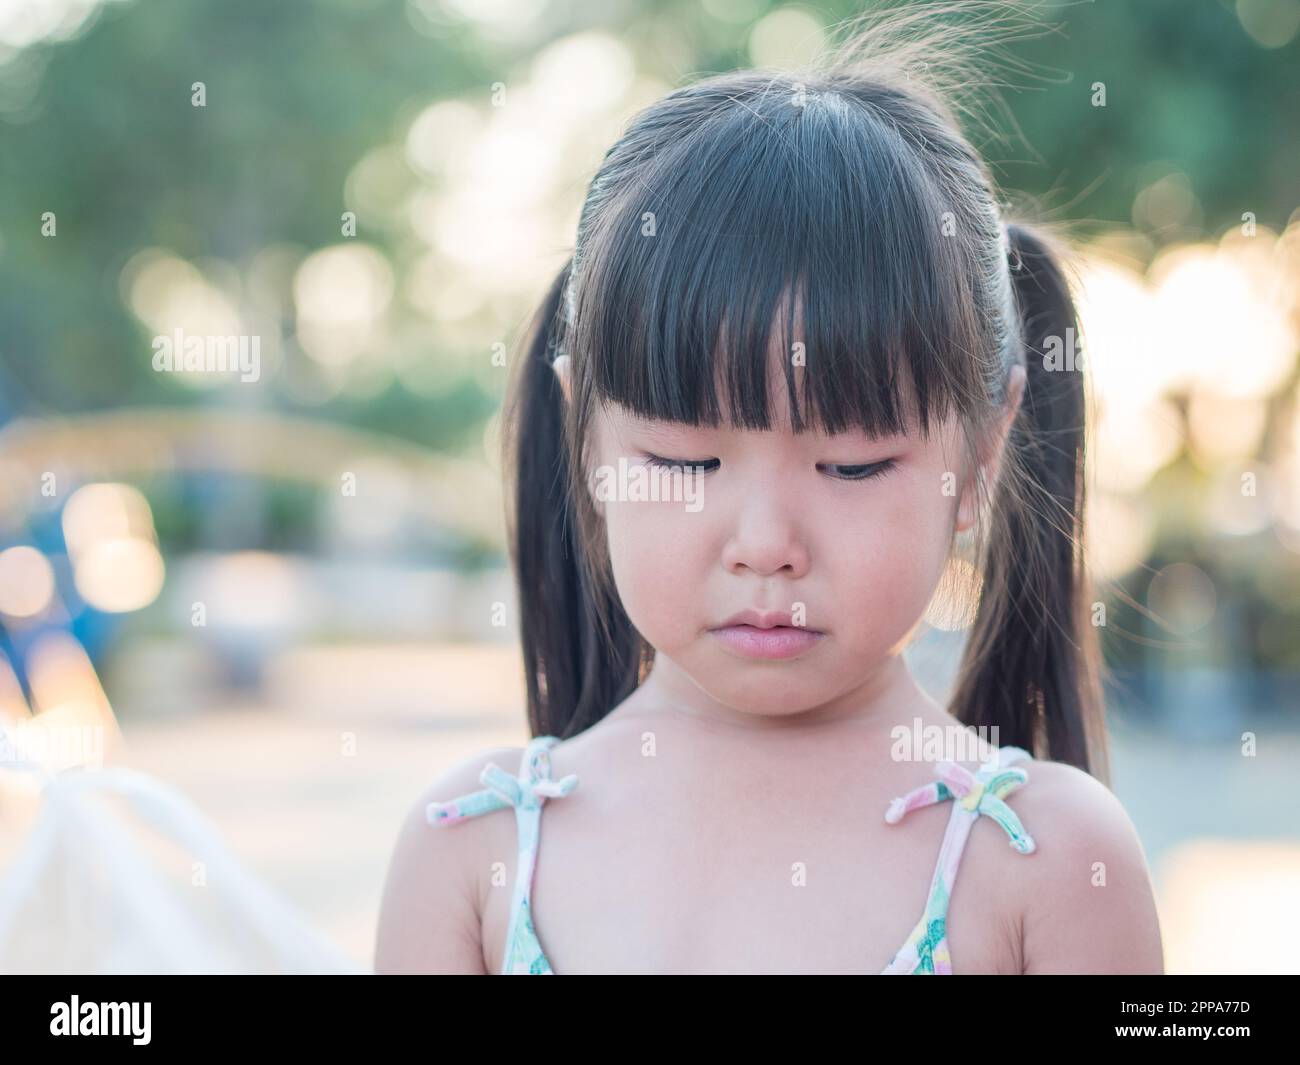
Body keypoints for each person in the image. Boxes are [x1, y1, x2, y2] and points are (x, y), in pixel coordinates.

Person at [375, 1, 1164, 975]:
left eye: (852, 467)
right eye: (682, 462)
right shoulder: (476, 855)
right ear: (589, 438)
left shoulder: (1046, 862)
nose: (764, 541)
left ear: (984, 452)